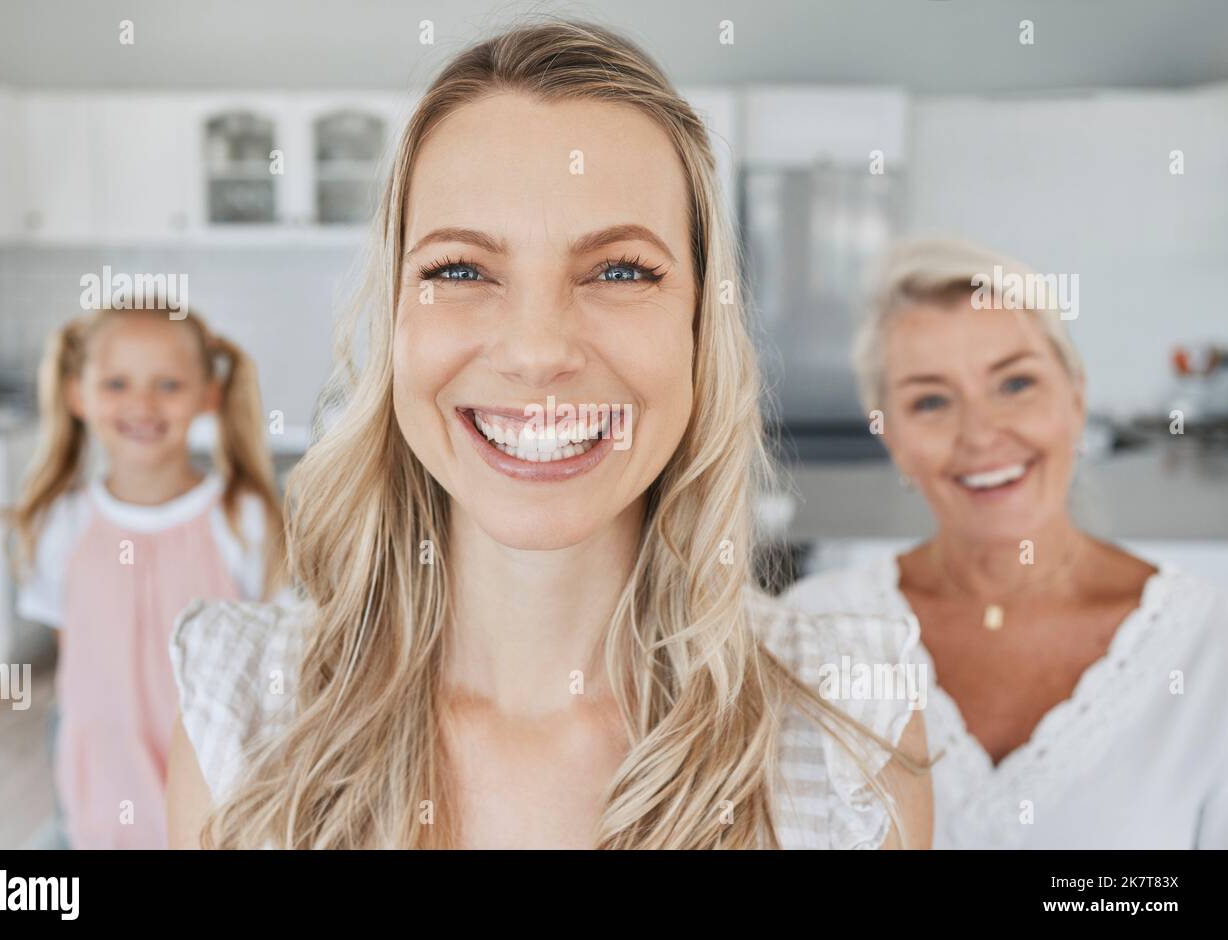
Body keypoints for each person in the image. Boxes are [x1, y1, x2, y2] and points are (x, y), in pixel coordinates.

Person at [167, 19, 932, 850]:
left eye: (619, 271)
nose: (537, 353)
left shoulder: (848, 733)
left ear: (700, 325)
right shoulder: (243, 716)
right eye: (459, 270)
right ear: (394, 318)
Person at [788, 237, 1228, 848]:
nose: (981, 434)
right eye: (932, 400)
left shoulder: (1211, 649)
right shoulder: (810, 634)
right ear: (890, 436)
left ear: (1076, 398)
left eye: (1016, 384)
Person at [11, 303, 285, 849]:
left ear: (208, 393)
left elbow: (271, 665)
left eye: (168, 383)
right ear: (77, 394)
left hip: (216, 796)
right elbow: (78, 664)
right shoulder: (59, 526)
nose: (142, 403)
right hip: (102, 795)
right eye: (116, 383)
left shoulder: (243, 519)